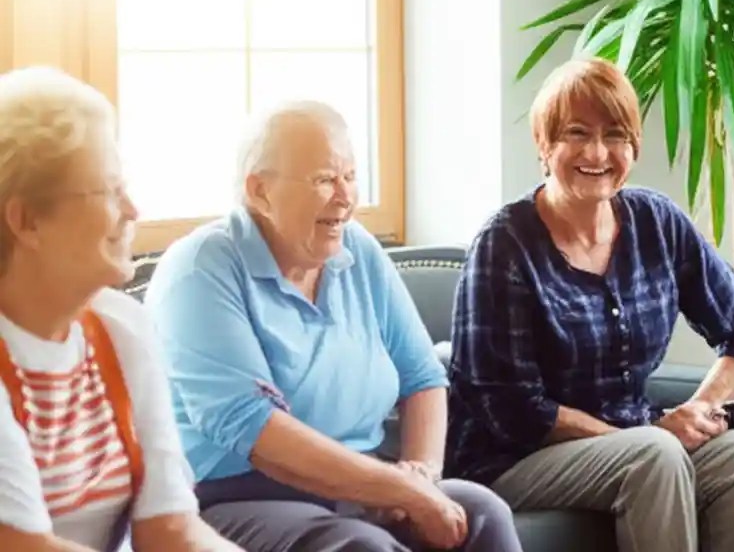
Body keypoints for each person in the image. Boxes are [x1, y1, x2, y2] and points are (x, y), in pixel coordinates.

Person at [145, 101, 521, 551]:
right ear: (260, 191)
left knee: (481, 513)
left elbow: (423, 378)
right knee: (359, 546)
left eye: (351, 176)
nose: (345, 197)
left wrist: (421, 475)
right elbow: (252, 427)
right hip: (236, 496)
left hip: (364, 483)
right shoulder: (200, 270)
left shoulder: (357, 249)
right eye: (324, 179)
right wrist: (396, 489)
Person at [446, 57, 734, 552]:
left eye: (615, 135)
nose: (597, 152)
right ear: (544, 144)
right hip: (512, 461)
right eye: (576, 133)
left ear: (634, 147)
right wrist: (644, 434)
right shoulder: (505, 244)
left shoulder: (656, 222)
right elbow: (512, 409)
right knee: (654, 454)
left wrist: (699, 407)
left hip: (638, 443)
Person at [0, 67, 239, 552]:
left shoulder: (121, 326)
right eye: (109, 191)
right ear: (26, 220)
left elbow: (168, 529)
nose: (132, 210)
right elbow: (22, 545)